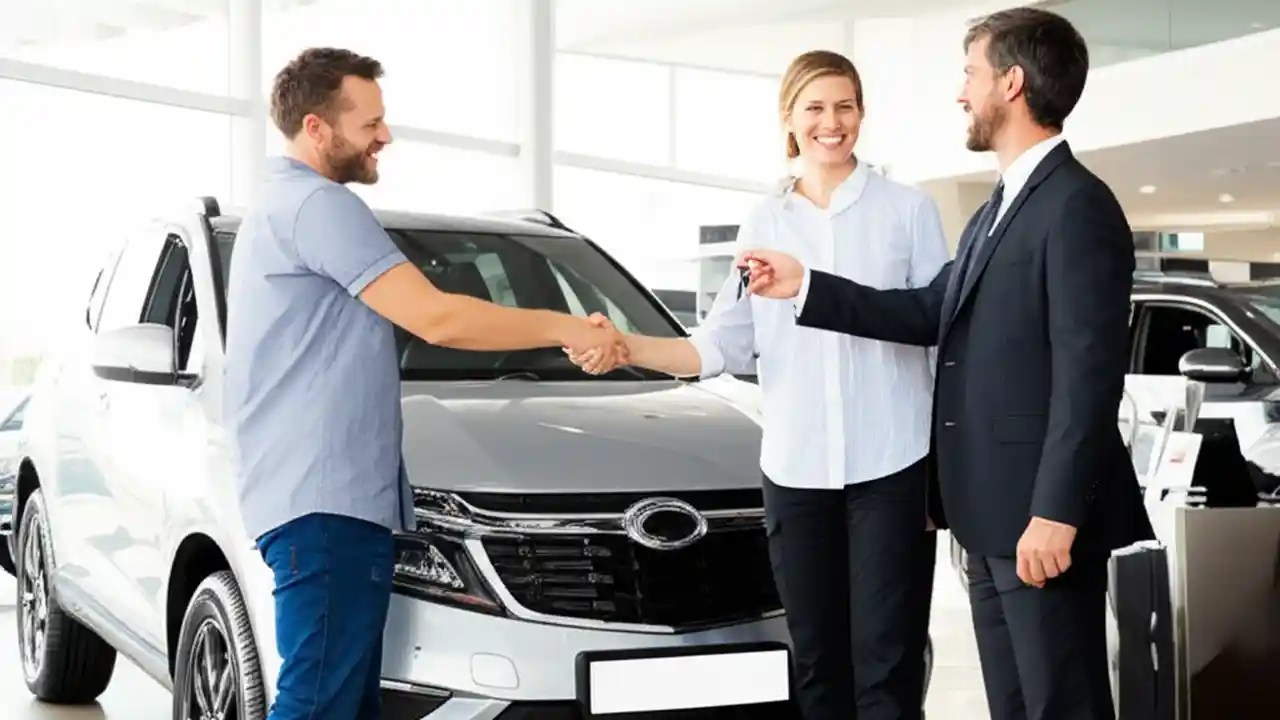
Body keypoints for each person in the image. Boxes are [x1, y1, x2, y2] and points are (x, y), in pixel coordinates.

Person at [739, 8, 1155, 720]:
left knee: (1064, 702)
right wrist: (806, 285)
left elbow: (1090, 376)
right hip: (991, 519)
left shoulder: (1076, 206)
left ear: (1012, 83)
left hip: (1038, 519)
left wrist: (1056, 510)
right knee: (1017, 705)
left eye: (971, 74)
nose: (961, 92)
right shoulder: (1002, 206)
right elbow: (928, 312)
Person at [222, 47, 624, 720]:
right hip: (325, 503)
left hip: (325, 500)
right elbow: (436, 316)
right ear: (317, 128)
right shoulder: (318, 206)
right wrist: (568, 328)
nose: (385, 135)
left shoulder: (284, 207)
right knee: (320, 701)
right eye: (370, 121)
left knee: (343, 701)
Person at [570, 50, 947, 720]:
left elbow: (936, 327)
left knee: (887, 665)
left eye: (846, 106)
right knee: (817, 666)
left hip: (892, 468)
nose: (833, 123)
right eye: (816, 108)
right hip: (797, 474)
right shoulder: (764, 221)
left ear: (862, 113)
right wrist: (630, 346)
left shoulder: (908, 210)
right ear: (790, 119)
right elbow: (721, 343)